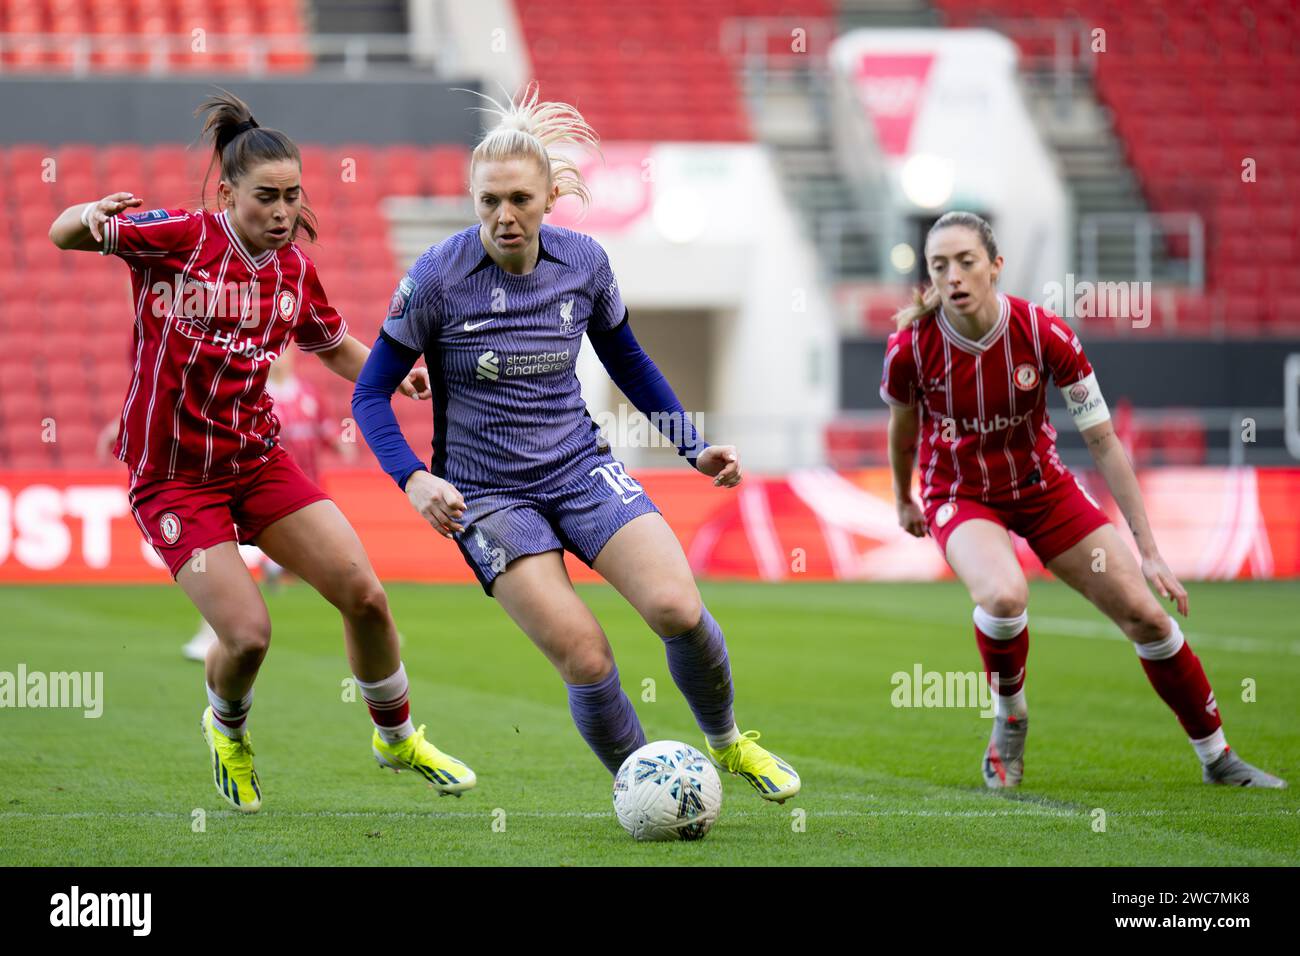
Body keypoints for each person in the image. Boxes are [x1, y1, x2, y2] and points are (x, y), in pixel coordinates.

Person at [352, 84, 801, 802]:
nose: (504, 216)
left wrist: (694, 445)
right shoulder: (436, 277)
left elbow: (629, 361)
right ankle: (646, 789)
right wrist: (414, 478)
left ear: (551, 195)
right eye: (489, 200)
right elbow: (369, 391)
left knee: (678, 610)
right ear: (473, 199)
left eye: (520, 200)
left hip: (580, 470)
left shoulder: (585, 263)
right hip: (490, 498)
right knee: (587, 655)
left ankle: (729, 744)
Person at [49, 90, 477, 812]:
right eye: (266, 198)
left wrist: (391, 371)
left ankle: (396, 735)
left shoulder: (292, 271)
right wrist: (88, 215)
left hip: (258, 465)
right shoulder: (179, 236)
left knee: (366, 597)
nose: (282, 212)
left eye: (292, 197)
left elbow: (332, 344)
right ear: (228, 193)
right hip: (176, 481)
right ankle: (228, 732)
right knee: (247, 638)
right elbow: (65, 235)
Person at [880, 210, 1285, 789]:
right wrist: (903, 499)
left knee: (1147, 615)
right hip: (960, 495)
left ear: (996, 267)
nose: (953, 276)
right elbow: (902, 429)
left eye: (966, 262)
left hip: (1043, 490)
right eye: (939, 265)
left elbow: (1103, 441)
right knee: (1001, 595)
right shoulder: (910, 349)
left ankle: (1218, 758)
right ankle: (1010, 717)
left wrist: (1149, 552)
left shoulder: (1045, 333)